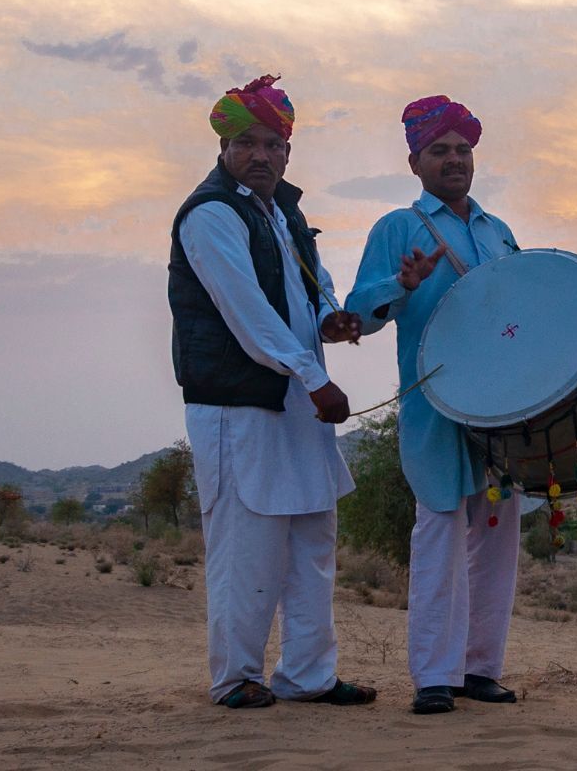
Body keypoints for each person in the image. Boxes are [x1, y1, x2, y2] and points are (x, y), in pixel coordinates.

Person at [166, 75, 376, 710]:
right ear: (224, 147)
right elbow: (248, 313)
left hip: (297, 404)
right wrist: (314, 376)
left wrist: (332, 321)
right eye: (247, 143)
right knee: (246, 549)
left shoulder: (284, 213)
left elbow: (307, 295)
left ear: (288, 151)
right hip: (241, 407)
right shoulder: (211, 214)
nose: (261, 155)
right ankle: (234, 678)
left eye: (273, 145)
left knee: (312, 542)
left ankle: (308, 675)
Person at [346, 95, 524, 716]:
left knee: (499, 532)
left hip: (503, 408)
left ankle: (481, 668)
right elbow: (359, 313)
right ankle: (432, 677)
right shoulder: (399, 227)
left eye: (463, 150)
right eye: (440, 151)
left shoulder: (497, 231)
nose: (454, 160)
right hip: (436, 404)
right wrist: (405, 284)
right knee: (440, 529)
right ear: (415, 162)